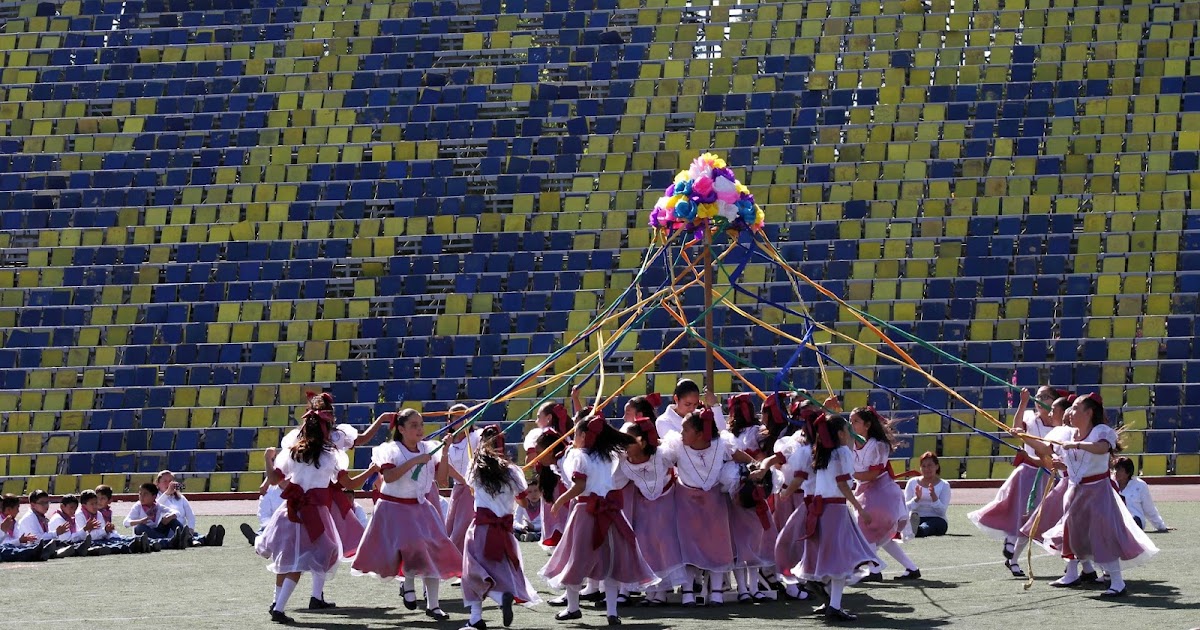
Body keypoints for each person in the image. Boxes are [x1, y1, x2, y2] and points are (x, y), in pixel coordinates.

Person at [1031, 393, 1159, 597]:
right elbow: (1045, 447)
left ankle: (1117, 582)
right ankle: (1076, 573)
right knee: (1074, 534)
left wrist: (1077, 445)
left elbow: (1101, 448)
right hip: (1074, 492)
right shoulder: (1065, 433)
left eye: (1075, 408)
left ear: (1089, 412)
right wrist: (1021, 435)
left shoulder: (1101, 431)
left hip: (1098, 491)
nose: (1070, 412)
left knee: (1103, 535)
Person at [539, 413, 658, 626]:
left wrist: (559, 502)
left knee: (575, 559)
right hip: (611, 513)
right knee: (610, 562)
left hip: (587, 512)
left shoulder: (578, 456)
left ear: (583, 435)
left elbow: (579, 486)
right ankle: (612, 612)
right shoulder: (607, 455)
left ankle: (573, 608)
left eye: (575, 432)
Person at [257, 410, 375, 623]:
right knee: (304, 559)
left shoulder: (295, 453)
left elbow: (274, 479)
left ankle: (278, 603)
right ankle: (279, 608)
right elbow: (349, 484)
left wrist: (268, 459)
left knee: (289, 558)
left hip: (290, 511)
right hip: (311, 513)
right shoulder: (330, 456)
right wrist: (371, 470)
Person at [352, 409, 463, 622]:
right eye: (413, 425)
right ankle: (409, 582)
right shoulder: (390, 450)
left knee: (434, 550)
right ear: (400, 429)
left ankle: (433, 605)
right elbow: (390, 477)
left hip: (419, 507)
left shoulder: (430, 448)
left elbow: (441, 481)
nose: (420, 429)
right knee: (412, 547)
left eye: (421, 424)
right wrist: (415, 461)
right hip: (392, 508)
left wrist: (446, 451)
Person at [797, 414, 881, 622]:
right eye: (848, 430)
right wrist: (860, 508)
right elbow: (843, 485)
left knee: (828, 556)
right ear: (841, 434)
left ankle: (826, 597)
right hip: (835, 509)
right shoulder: (842, 452)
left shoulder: (822, 453)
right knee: (840, 560)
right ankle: (834, 605)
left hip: (820, 508)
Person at [461, 426, 542, 629]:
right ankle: (480, 615)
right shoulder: (513, 471)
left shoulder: (475, 467)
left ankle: (484, 610)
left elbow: (472, 491)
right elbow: (523, 502)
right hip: (504, 530)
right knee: (501, 571)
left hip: (480, 529)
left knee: (473, 572)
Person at [656, 408, 738, 606]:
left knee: (716, 545)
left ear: (700, 434)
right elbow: (660, 456)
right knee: (687, 546)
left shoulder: (721, 445)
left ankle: (716, 592)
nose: (681, 433)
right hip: (686, 502)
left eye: (686, 430)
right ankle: (688, 592)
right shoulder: (677, 446)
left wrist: (756, 464)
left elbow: (738, 454)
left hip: (714, 501)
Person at [968, 386, 1058, 565]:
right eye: (1038, 396)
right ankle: (1011, 538)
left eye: (1046, 397)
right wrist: (1023, 402)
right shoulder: (1031, 419)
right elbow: (1016, 428)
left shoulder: (1058, 425)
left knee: (1038, 516)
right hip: (1028, 471)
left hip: (1049, 474)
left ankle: (1015, 557)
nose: (1041, 400)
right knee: (1020, 508)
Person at [616, 415, 687, 606]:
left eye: (629, 441)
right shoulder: (624, 462)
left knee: (666, 543)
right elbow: (616, 480)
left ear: (643, 441)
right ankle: (650, 589)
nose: (625, 445)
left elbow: (683, 463)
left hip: (667, 504)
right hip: (644, 507)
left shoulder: (662, 455)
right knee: (645, 543)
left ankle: (663, 591)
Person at [849, 406, 921, 581]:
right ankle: (911, 568)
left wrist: (847, 475)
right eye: (850, 421)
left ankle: (874, 569)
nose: (851, 424)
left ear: (867, 425)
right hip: (866, 491)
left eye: (855, 421)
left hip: (881, 491)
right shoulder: (851, 443)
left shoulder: (877, 445)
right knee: (879, 534)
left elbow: (873, 474)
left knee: (865, 528)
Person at [724, 393, 777, 602]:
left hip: (746, 489)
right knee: (749, 540)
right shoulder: (749, 433)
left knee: (745, 541)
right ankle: (747, 589)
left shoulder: (750, 433)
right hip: (745, 489)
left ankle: (748, 589)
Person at [445, 404, 484, 552]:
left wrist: (468, 482)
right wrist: (462, 480)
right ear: (449, 422)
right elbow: (446, 467)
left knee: (464, 524)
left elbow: (485, 441)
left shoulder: (476, 436)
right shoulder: (447, 443)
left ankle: (462, 557)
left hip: (474, 488)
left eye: (464, 417)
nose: (461, 421)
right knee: (451, 524)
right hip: (458, 488)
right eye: (456, 418)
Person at [156, 470, 224, 546]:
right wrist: (167, 493)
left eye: (170, 481)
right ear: (158, 484)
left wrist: (191, 528)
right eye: (165, 481)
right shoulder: (155, 496)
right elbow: (155, 507)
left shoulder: (180, 498)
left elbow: (190, 515)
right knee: (173, 521)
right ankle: (194, 539)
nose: (168, 484)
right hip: (166, 529)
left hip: (183, 529)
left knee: (193, 533)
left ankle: (209, 539)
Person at [18, 489, 86, 558]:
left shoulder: (40, 517)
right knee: (55, 543)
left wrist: (55, 534)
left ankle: (77, 549)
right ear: (33, 505)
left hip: (41, 545)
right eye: (42, 503)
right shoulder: (29, 518)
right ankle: (70, 551)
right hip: (30, 547)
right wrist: (56, 533)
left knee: (58, 543)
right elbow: (37, 539)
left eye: (47, 502)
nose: (46, 505)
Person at [76, 489, 147, 554]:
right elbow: (85, 537)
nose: (95, 506)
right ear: (84, 505)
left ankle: (146, 543)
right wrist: (104, 531)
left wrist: (107, 530)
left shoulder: (98, 513)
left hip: (102, 538)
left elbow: (101, 532)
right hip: (92, 542)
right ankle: (134, 546)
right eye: (92, 504)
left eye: (96, 503)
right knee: (114, 544)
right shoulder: (79, 515)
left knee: (120, 539)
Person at [124, 482, 190, 550]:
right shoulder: (137, 507)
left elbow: (176, 512)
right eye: (140, 494)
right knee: (139, 527)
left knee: (172, 520)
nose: (141, 497)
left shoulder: (157, 506)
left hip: (157, 532)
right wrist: (140, 521)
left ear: (154, 496)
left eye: (145, 494)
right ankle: (169, 541)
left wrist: (170, 516)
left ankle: (188, 539)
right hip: (145, 534)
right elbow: (126, 522)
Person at [1112, 457, 1169, 532]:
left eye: (1120, 470)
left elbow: (1149, 508)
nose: (1116, 472)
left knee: (1131, 521)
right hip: (1114, 520)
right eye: (1115, 469)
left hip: (1135, 520)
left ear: (1128, 472)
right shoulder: (1109, 483)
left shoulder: (1140, 485)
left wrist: (1161, 526)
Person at [655, 379, 724, 437]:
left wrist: (715, 406)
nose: (692, 408)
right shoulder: (663, 421)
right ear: (676, 399)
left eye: (695, 404)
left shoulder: (700, 415)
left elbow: (722, 434)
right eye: (687, 404)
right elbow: (679, 445)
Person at [903, 452, 951, 537]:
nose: (926, 469)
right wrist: (916, 499)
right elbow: (905, 508)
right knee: (906, 521)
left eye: (930, 465)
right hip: (915, 517)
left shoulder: (944, 485)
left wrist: (934, 497)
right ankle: (913, 528)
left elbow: (942, 512)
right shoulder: (912, 482)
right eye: (923, 466)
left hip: (936, 519)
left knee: (937, 523)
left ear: (937, 466)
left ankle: (919, 530)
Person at [1, 494, 54, 562]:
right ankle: (36, 553)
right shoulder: (2, 521)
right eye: (17, 508)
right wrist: (19, 541)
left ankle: (45, 552)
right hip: (6, 548)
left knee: (26, 547)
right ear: (8, 509)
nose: (18, 511)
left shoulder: (13, 522)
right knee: (7, 551)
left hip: (15, 546)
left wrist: (22, 540)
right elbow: (3, 544)